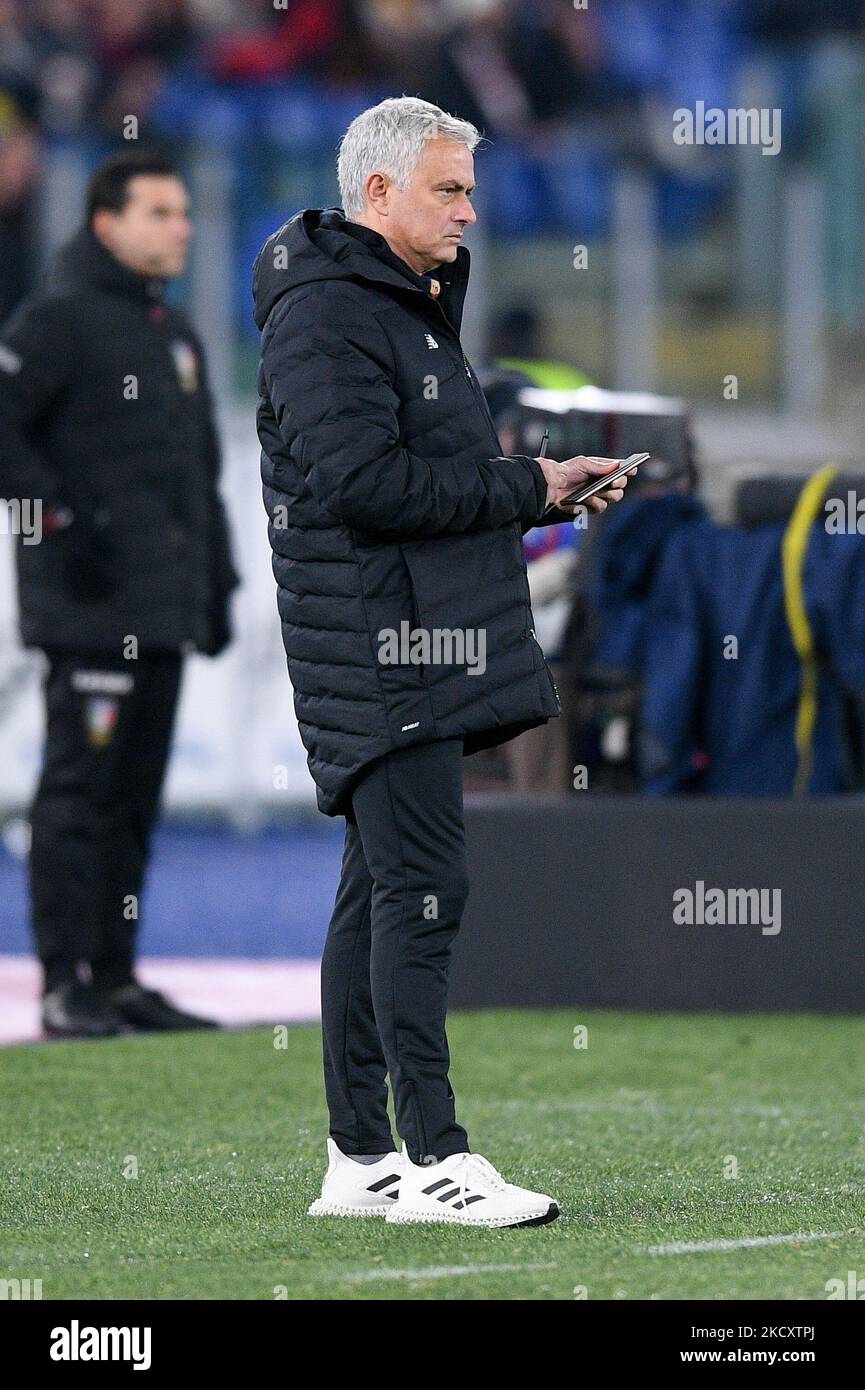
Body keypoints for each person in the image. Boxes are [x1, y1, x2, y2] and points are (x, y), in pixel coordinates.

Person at [253, 96, 633, 1228]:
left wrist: (539, 481)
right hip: (380, 644)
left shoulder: (383, 303)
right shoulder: (328, 317)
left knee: (378, 891)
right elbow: (363, 488)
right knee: (422, 889)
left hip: (398, 637)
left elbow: (401, 469)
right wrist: (525, 488)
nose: (471, 209)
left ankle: (360, 1156)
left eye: (470, 186)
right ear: (378, 195)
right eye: (449, 189)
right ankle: (434, 1159)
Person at [0, 149, 239, 1038]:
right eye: (161, 212)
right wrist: (60, 526)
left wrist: (213, 584)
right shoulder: (56, 318)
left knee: (134, 799)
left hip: (159, 609)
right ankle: (65, 983)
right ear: (108, 223)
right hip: (91, 611)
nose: (181, 227)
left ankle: (117, 974)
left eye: (184, 212)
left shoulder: (170, 333)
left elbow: (197, 477)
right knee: (78, 795)